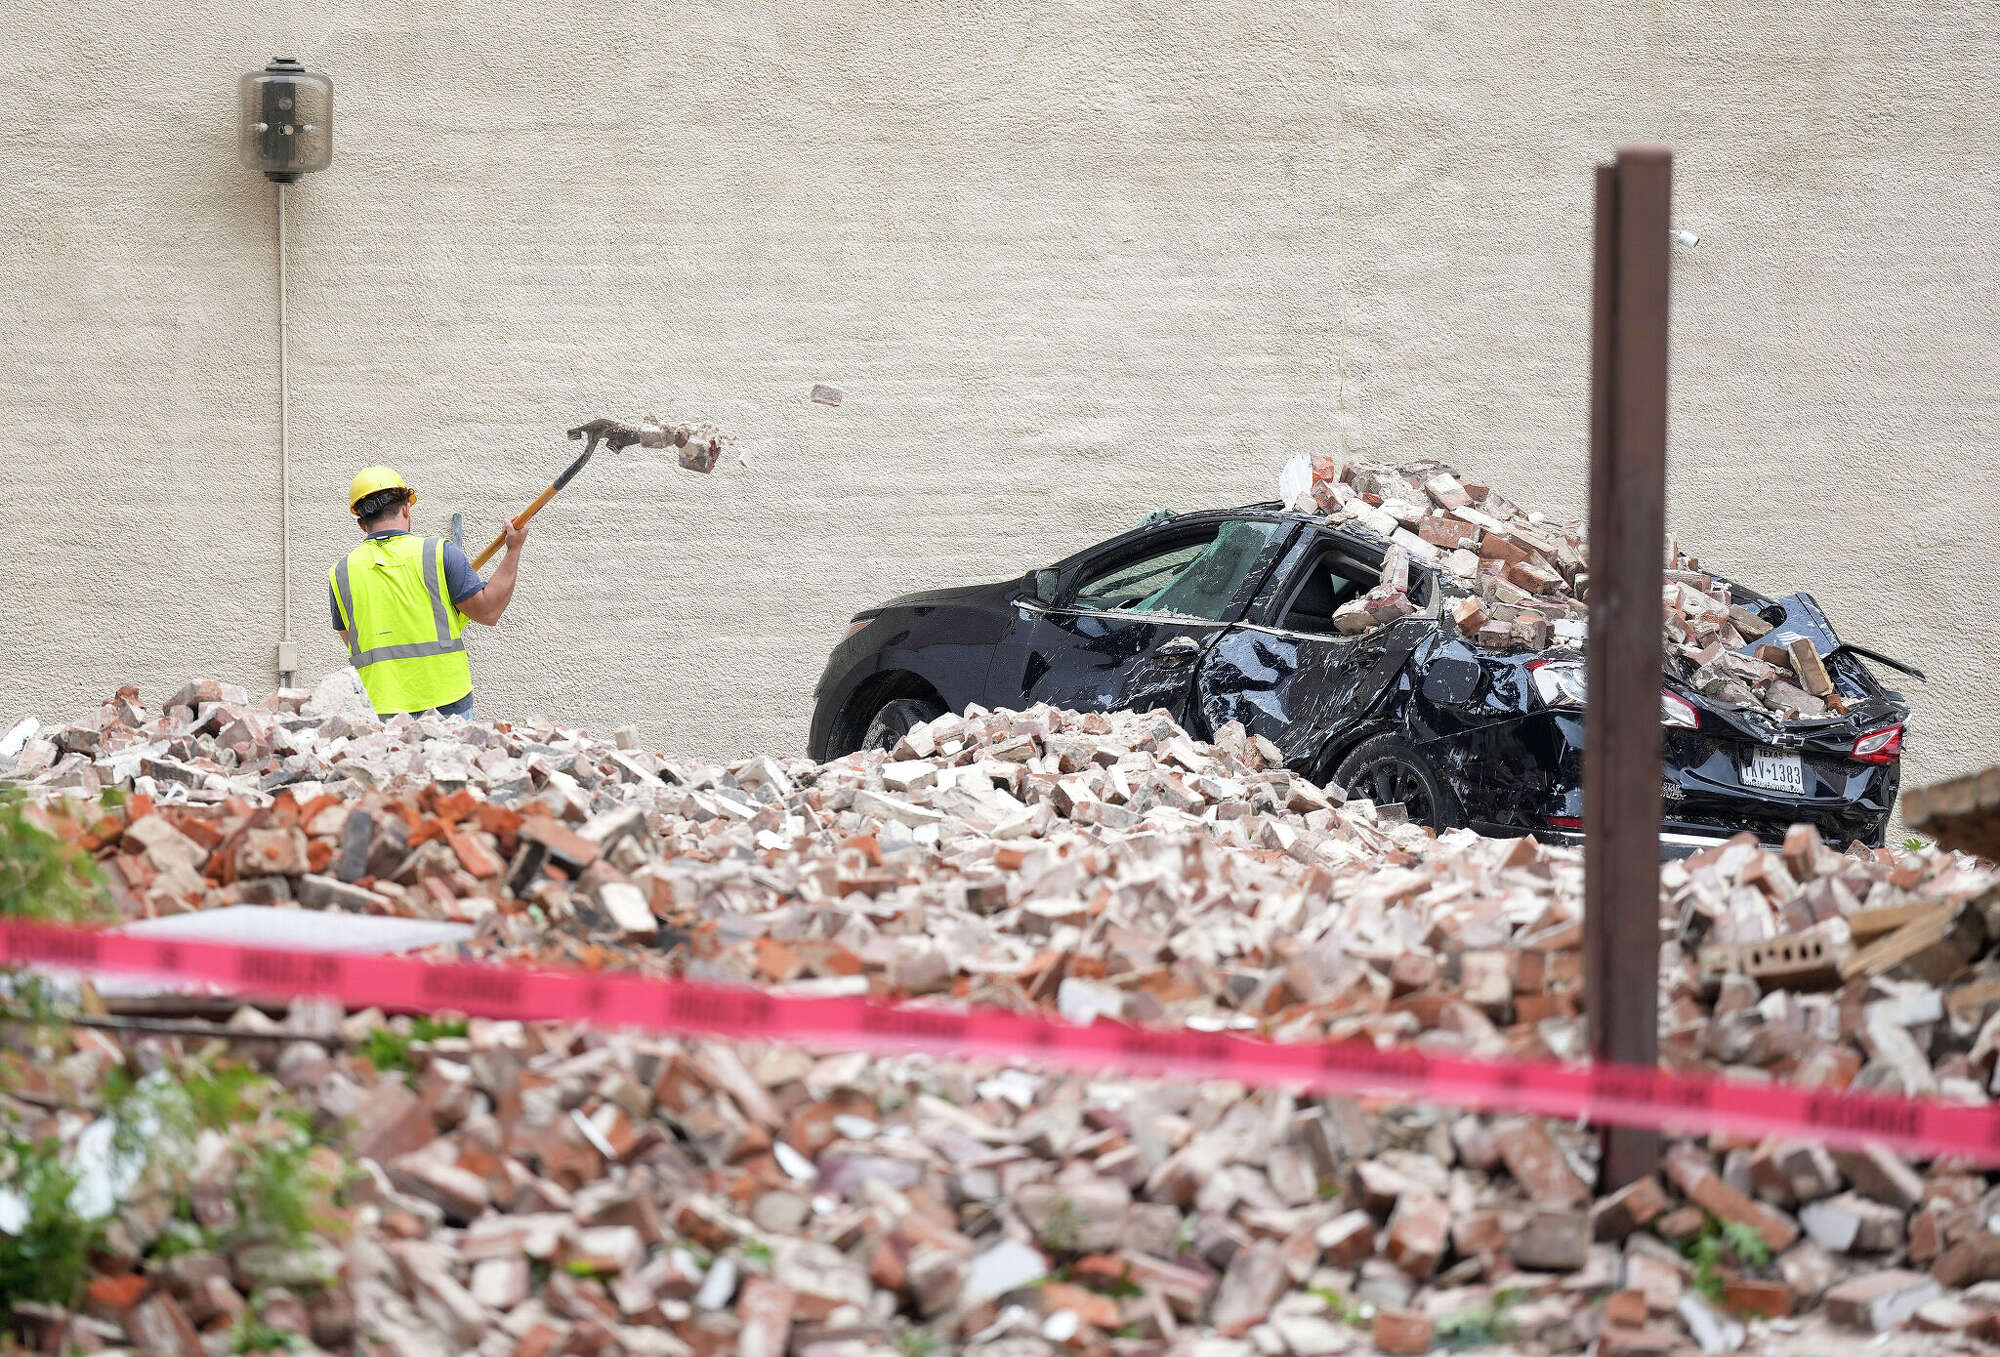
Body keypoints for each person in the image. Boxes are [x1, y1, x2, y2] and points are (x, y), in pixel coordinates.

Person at [329, 466, 527, 719]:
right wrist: (513, 550)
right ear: (406, 508)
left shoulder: (341, 572)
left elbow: (356, 641)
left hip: (380, 711)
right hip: (447, 706)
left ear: (360, 523)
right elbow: (489, 612)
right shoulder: (438, 554)